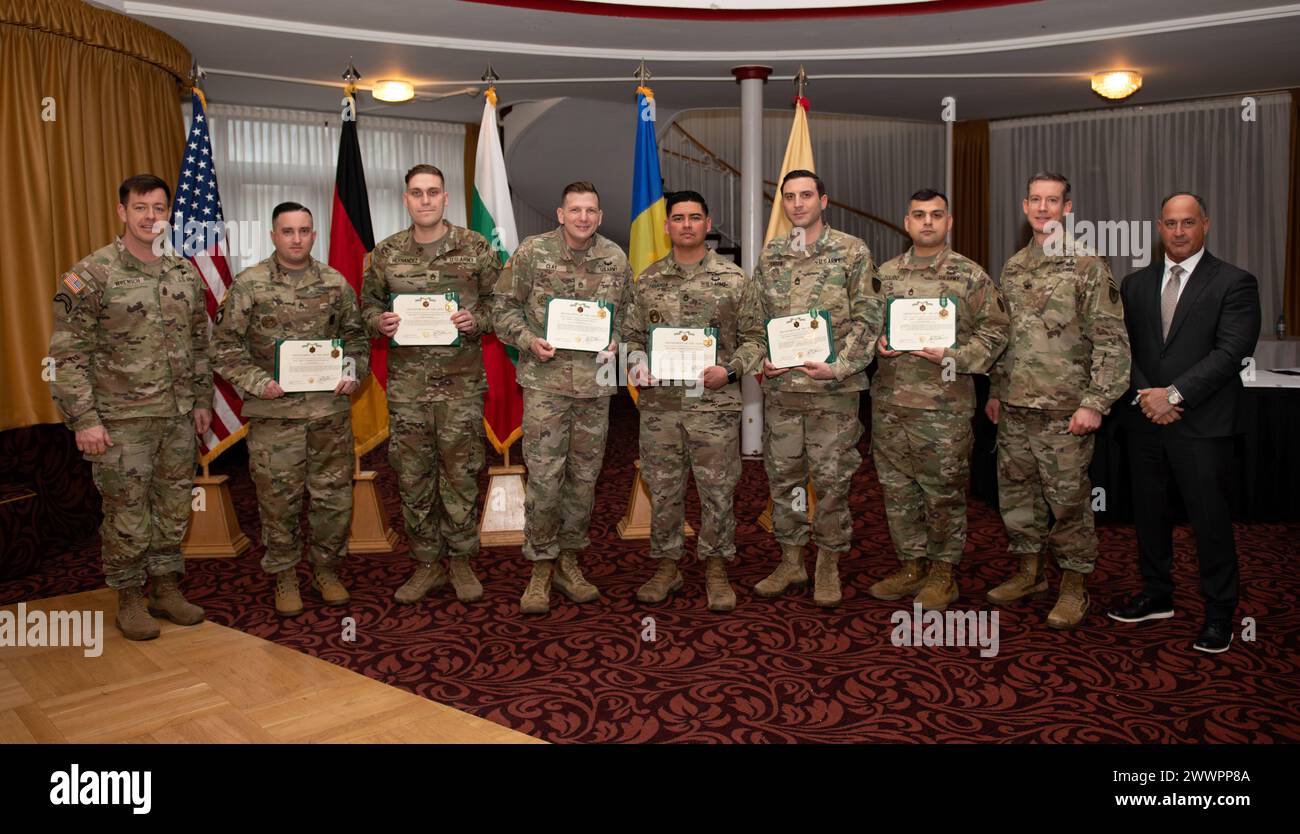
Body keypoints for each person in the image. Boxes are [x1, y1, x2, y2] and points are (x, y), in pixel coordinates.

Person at [48, 173, 212, 640]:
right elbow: (66, 355)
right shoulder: (91, 275)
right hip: (120, 422)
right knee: (126, 514)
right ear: (122, 212)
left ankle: (164, 587)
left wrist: (202, 401)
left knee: (174, 507)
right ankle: (129, 597)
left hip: (178, 418)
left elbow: (200, 344)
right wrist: (83, 420)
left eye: (159, 208)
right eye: (141, 208)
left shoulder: (182, 272)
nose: (151, 217)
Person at [1108, 192, 1261, 653]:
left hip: (1202, 424)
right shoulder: (1135, 284)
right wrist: (1146, 396)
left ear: (1205, 225)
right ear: (1159, 227)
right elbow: (1123, 348)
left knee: (1209, 522)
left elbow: (1232, 352)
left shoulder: (1235, 282)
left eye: (1188, 223)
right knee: (1149, 517)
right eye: (1170, 223)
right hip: (1144, 420)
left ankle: (1219, 614)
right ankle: (1157, 595)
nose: (1179, 232)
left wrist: (1173, 395)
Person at [985, 172, 1131, 629]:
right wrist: (994, 390)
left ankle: (1073, 583)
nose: (1043, 208)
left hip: (1065, 411)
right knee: (1017, 497)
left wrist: (1095, 402)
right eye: (1035, 200)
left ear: (1068, 208)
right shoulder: (1013, 266)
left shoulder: (1087, 265)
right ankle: (1030, 572)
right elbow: (1004, 337)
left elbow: (1112, 342)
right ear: (1024, 206)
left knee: (1067, 501)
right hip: (1014, 406)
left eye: (1052, 201)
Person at [211, 202, 369, 616]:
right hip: (275, 416)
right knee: (278, 501)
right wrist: (256, 382)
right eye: (288, 231)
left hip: (328, 414)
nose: (296, 239)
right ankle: (284, 575)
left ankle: (326, 569)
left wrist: (351, 373)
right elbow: (223, 347)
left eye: (304, 231)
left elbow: (356, 340)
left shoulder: (336, 284)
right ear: (273, 235)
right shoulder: (250, 284)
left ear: (313, 235)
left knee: (332, 499)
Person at [620, 191, 766, 611]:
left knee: (718, 490)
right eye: (678, 218)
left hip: (713, 406)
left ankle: (716, 567)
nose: (686, 224)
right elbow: (630, 337)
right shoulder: (646, 280)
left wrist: (731, 370)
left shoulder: (735, 279)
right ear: (667, 226)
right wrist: (636, 363)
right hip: (660, 407)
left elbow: (756, 338)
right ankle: (667, 565)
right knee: (664, 490)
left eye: (695, 217)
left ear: (708, 223)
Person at [362, 164, 499, 605]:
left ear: (445, 198)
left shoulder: (476, 248)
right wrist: (377, 321)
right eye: (416, 193)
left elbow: (503, 303)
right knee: (413, 476)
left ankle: (460, 561)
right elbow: (363, 307)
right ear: (405, 200)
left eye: (433, 192)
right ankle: (426, 563)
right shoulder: (384, 254)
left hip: (461, 385)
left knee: (460, 475)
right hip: (408, 389)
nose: (425, 200)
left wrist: (476, 319)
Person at [867, 189, 1009, 611]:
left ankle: (943, 574)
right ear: (906, 223)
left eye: (936, 215)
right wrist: (877, 343)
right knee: (896, 490)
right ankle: (911, 565)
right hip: (891, 404)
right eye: (918, 215)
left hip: (943, 408)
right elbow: (863, 327)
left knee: (943, 493)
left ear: (949, 222)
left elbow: (997, 332)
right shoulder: (884, 275)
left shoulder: (971, 276)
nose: (927, 222)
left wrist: (955, 356)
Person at [493, 181, 632, 615]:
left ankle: (570, 561)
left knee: (585, 479)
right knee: (545, 477)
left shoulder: (615, 257)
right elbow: (502, 308)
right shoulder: (532, 253)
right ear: (560, 213)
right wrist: (529, 340)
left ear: (600, 216)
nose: (584, 218)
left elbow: (630, 316)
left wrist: (618, 343)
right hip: (545, 384)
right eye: (575, 210)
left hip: (595, 387)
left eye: (591, 210)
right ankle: (540, 566)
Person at [750, 170, 884, 608]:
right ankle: (791, 560)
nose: (798, 203)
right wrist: (761, 358)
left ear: (823, 200)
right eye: (789, 197)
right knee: (784, 478)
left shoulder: (851, 252)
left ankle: (828, 561)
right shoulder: (771, 254)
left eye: (806, 195)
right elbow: (756, 318)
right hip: (783, 391)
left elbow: (869, 318)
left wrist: (840, 367)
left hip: (832, 393)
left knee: (831, 481)